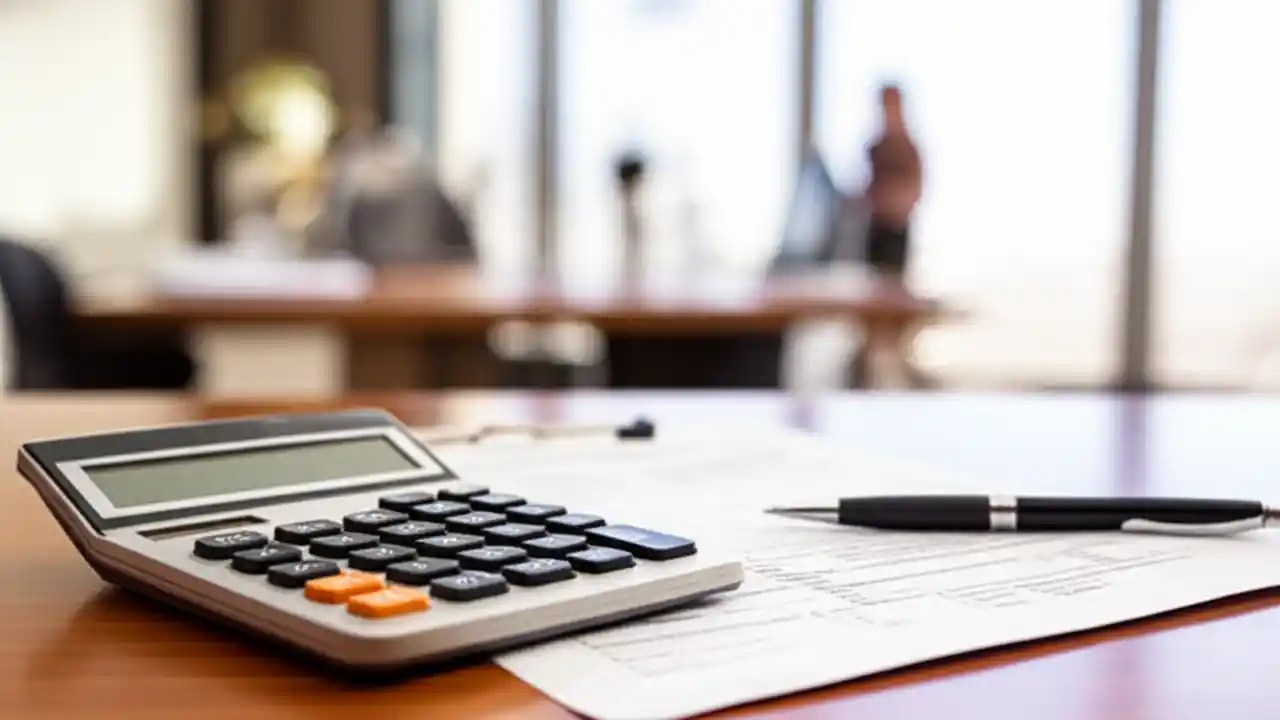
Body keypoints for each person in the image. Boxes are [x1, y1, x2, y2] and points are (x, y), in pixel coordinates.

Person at [863, 84, 923, 280]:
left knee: (893, 284)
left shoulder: (909, 149)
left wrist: (895, 200)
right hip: (875, 229)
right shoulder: (876, 148)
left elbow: (915, 190)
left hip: (897, 229)